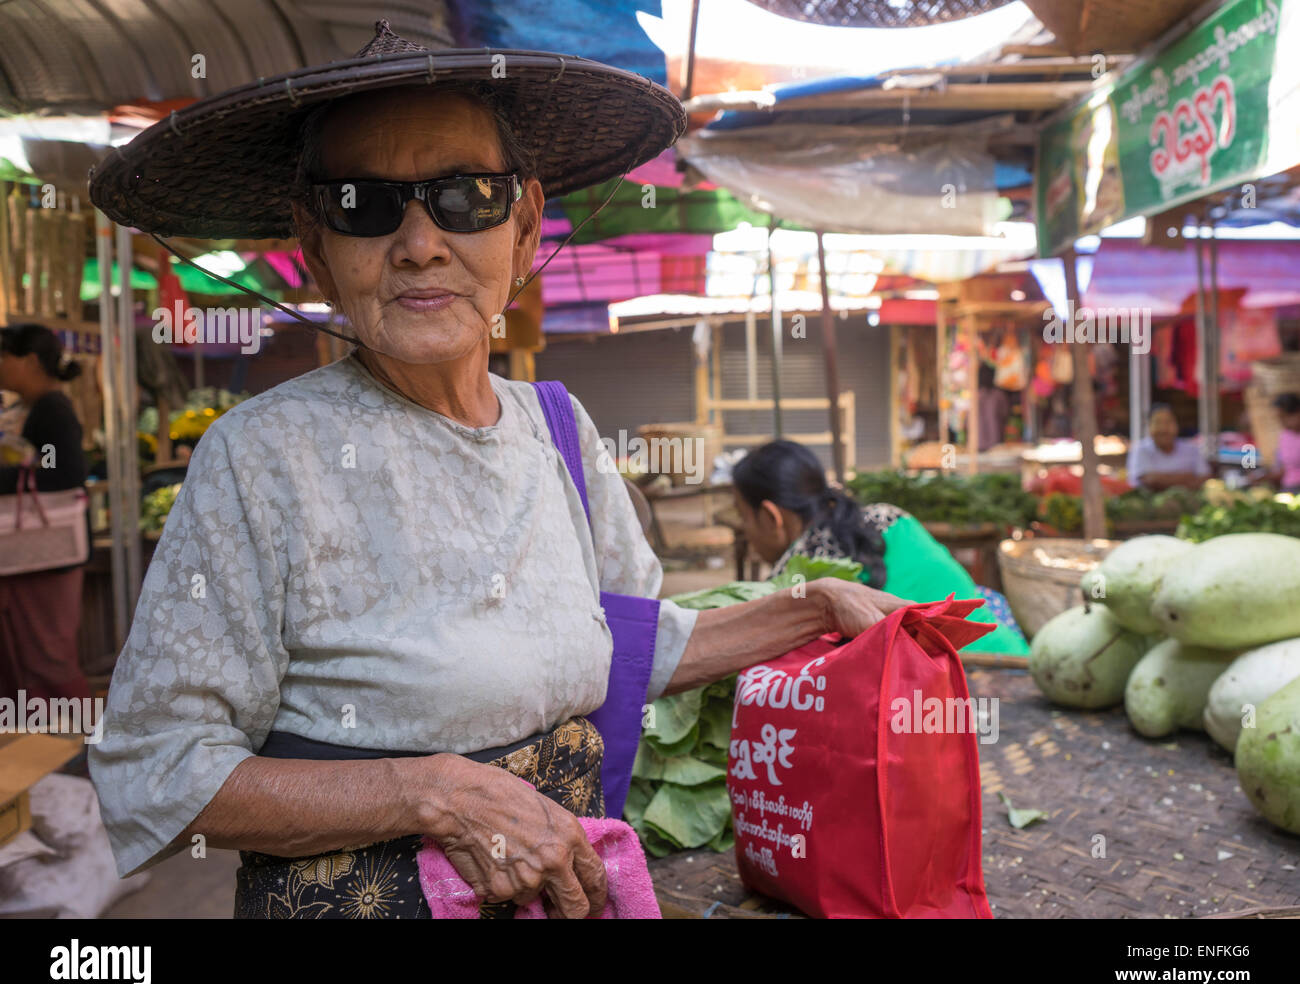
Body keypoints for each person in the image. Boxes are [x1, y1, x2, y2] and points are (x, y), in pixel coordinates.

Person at [85, 22, 908, 919]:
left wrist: (814, 606)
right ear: (316, 246)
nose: (419, 242)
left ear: (522, 228)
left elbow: (629, 645)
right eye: (364, 203)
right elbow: (155, 770)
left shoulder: (555, 425)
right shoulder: (261, 458)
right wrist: (431, 792)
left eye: (464, 197)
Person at [731, 440, 1029, 657]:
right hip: (1018, 661)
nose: (746, 530)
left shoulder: (793, 583)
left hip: (965, 695)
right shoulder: (890, 516)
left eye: (744, 517)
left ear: (771, 517)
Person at [0, 324, 90, 705]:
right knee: (33, 654)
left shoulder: (51, 409)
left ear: (30, 361)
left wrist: (12, 474)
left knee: (47, 656)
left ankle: (76, 748)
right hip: (35, 551)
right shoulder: (37, 408)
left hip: (47, 550)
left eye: (4, 357)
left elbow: (60, 472)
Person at [1127, 403, 1210, 490]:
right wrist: (1188, 477)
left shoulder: (1192, 449)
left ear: (1177, 425)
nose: (1163, 429)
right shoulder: (1140, 450)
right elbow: (1150, 481)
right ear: (1149, 426)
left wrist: (1161, 478)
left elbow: (1205, 478)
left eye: (1168, 422)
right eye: (1157, 422)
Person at [1264, 393, 1300, 492]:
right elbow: (1284, 467)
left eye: (1284, 417)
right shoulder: (1285, 435)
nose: (1282, 422)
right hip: (1288, 489)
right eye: (1279, 418)